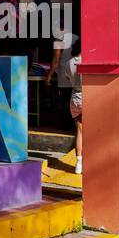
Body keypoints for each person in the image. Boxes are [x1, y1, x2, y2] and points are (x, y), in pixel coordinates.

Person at [45, 29, 82, 174]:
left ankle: (79, 161)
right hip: (83, 92)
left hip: (69, 86)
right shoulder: (77, 37)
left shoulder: (59, 42)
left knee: (79, 128)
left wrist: (48, 77)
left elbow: (55, 59)